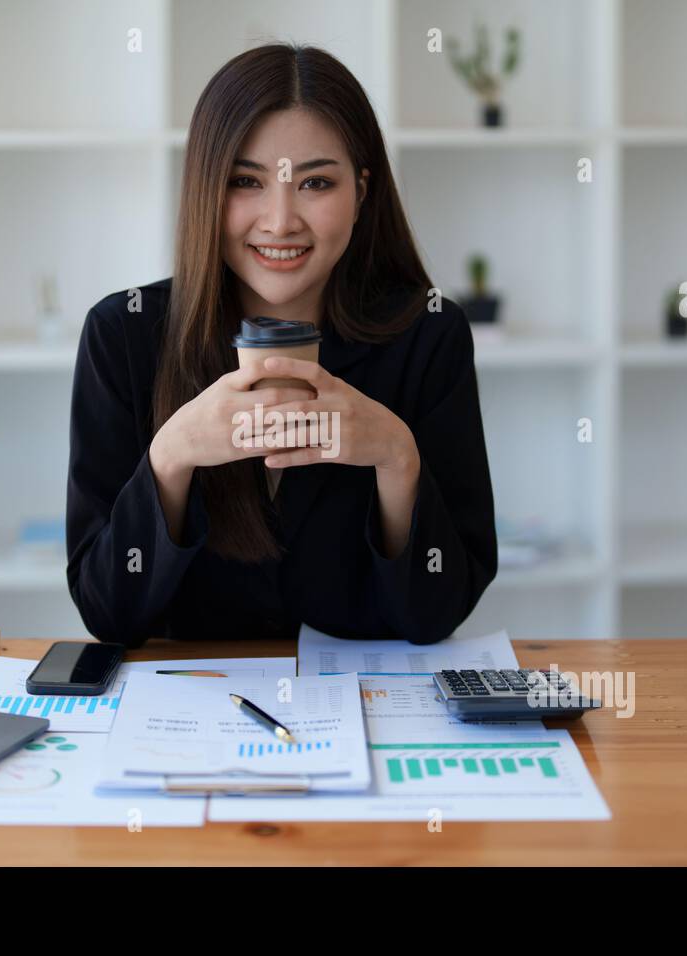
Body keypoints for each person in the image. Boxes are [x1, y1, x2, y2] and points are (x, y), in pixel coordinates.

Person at [65, 44, 496, 647]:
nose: (280, 220)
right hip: (193, 720)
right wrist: (172, 457)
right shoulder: (124, 335)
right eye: (246, 181)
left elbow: (437, 612)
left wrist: (398, 458)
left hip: (373, 716)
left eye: (316, 182)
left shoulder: (429, 334)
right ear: (204, 190)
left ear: (363, 190)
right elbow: (109, 614)